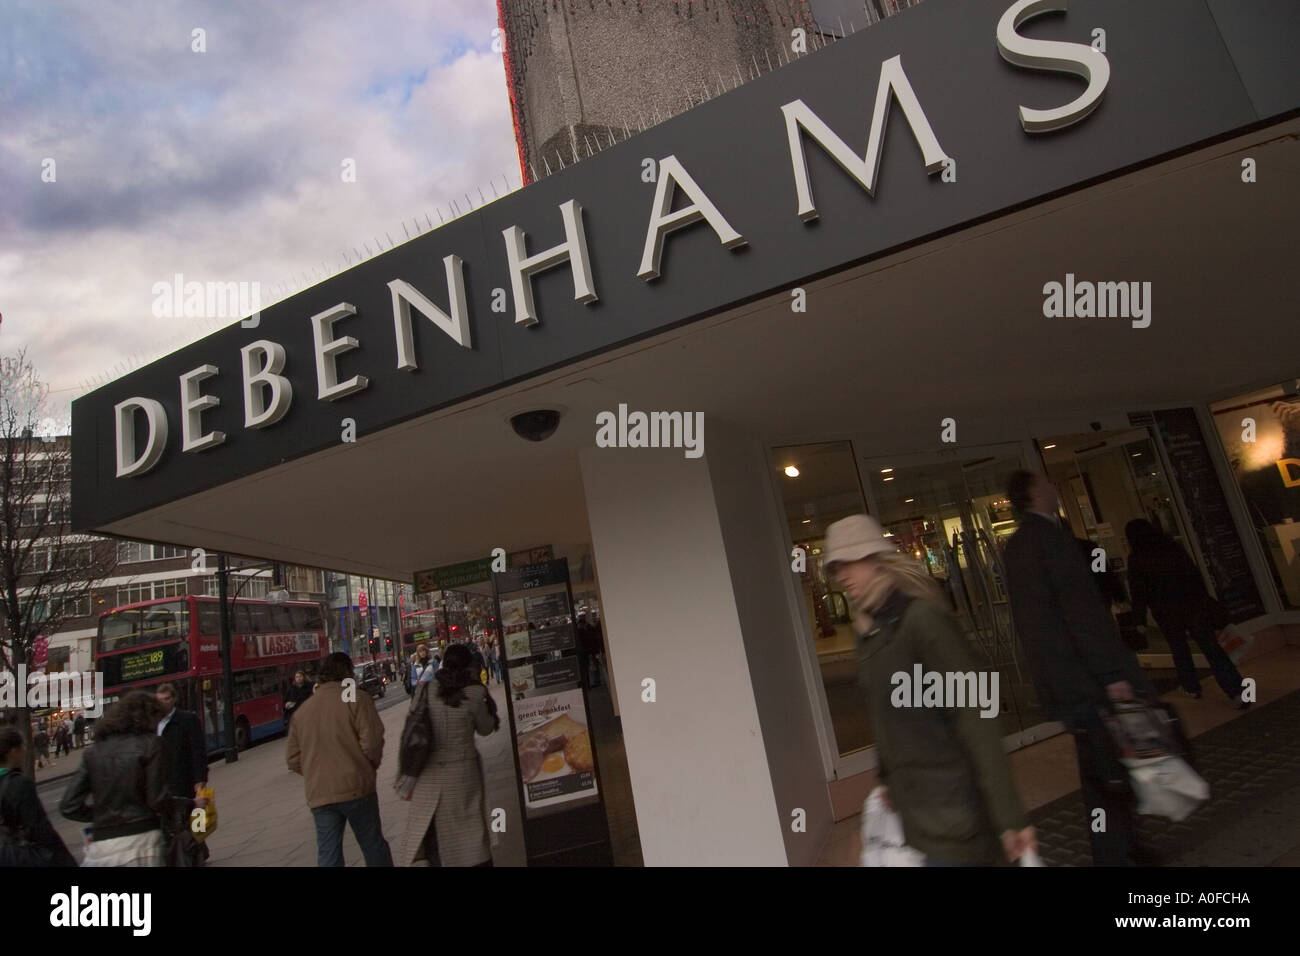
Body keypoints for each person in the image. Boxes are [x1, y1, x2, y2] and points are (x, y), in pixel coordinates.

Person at [822, 515, 1035, 867]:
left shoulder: (921, 621)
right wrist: (888, 778)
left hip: (955, 817)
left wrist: (1010, 816)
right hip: (917, 816)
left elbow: (976, 716)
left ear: (876, 558)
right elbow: (886, 716)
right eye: (835, 567)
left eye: (848, 562)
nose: (841, 575)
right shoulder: (871, 632)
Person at [1002, 470, 1152, 867]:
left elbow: (1036, 624)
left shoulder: (1016, 547)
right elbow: (1081, 614)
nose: (1054, 489)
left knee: (1099, 769)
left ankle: (1121, 846)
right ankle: (1118, 852)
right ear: (1035, 494)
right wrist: (1111, 674)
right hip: (1088, 680)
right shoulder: (1052, 541)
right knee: (1109, 770)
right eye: (1048, 485)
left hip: (1063, 683)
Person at [395, 643, 500, 867]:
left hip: (430, 774)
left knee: (438, 836)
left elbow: (413, 722)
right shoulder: (474, 691)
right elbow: (485, 728)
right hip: (463, 773)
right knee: (469, 829)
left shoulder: (427, 689)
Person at [1125, 518, 1247, 707]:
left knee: (1179, 649)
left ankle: (1191, 686)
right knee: (1212, 649)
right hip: (1192, 605)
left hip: (1166, 612)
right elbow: (1193, 574)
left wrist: (1139, 619)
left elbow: (1138, 591)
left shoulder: (1137, 558)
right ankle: (1236, 691)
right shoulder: (1172, 547)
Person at [286, 652, 393, 867]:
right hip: (356, 786)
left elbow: (293, 758)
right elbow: (372, 742)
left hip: (320, 793)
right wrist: (365, 766)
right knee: (372, 845)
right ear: (347, 673)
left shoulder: (304, 711)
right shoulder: (355, 698)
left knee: (328, 853)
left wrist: (316, 772)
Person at [60, 692, 169, 866]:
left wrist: (103, 814)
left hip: (101, 844)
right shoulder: (152, 744)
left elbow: (69, 806)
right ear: (148, 718)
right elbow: (157, 800)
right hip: (142, 837)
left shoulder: (93, 752)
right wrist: (189, 805)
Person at [0, 727, 78, 866]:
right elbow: (41, 830)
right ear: (13, 752)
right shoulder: (18, 784)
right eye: (22, 747)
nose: (24, 752)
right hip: (16, 857)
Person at [156, 683, 210, 864]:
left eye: (167, 699)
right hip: (163, 779)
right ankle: (189, 849)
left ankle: (197, 849)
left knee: (191, 817)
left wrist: (200, 777)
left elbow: (198, 749)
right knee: (173, 821)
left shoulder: (187, 719)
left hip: (184, 777)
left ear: (174, 699)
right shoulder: (153, 723)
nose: (163, 703)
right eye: (160, 700)